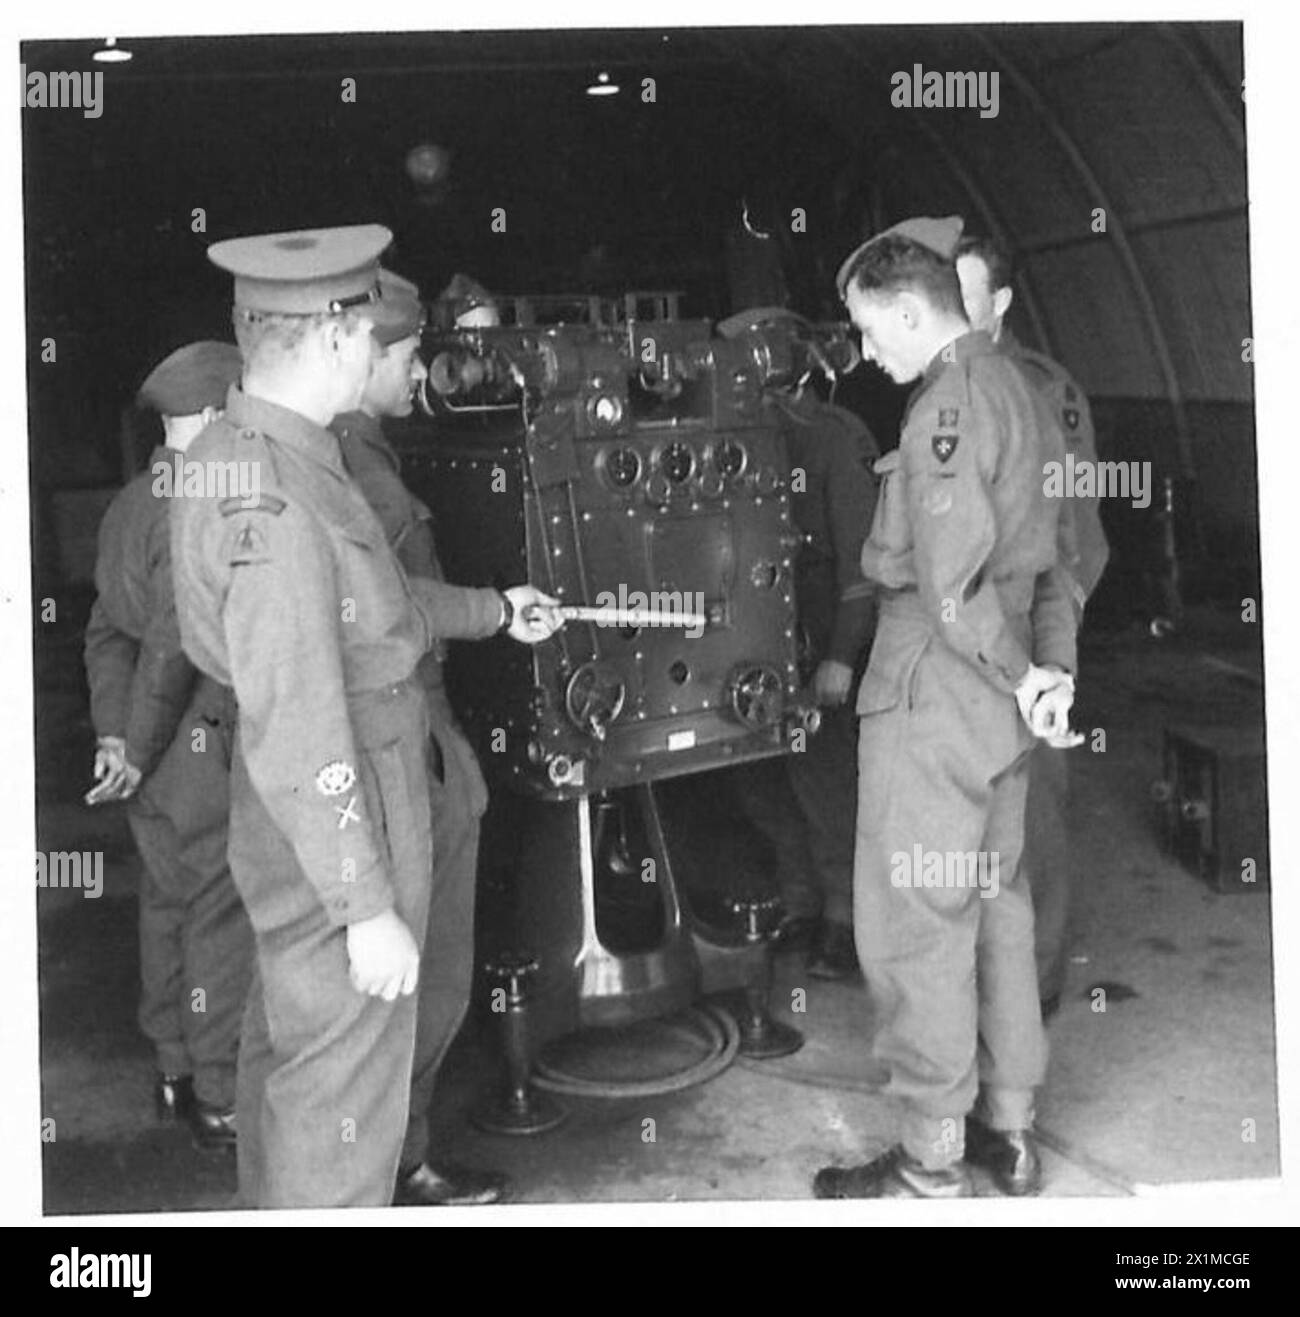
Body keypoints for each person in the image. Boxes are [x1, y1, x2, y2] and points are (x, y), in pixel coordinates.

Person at [169, 224, 561, 1208]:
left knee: (294, 1058)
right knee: (341, 1088)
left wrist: (494, 612)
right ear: (337, 337)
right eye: (372, 330)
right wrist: (365, 904)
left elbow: (367, 615)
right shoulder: (278, 497)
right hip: (344, 801)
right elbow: (300, 709)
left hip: (306, 798)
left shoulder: (254, 452)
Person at [813, 217, 1078, 1199]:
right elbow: (1052, 570)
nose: (866, 354)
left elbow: (952, 590)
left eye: (871, 332)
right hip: (1001, 720)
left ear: (913, 312)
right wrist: (1047, 679)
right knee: (1000, 912)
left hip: (935, 696)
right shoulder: (1027, 391)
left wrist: (1017, 676)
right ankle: (1008, 1134)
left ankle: (929, 1156)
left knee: (915, 922)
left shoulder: (943, 411)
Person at [330, 269, 503, 1205]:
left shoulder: (363, 458)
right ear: (365, 359)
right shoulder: (355, 472)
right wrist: (497, 610)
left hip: (412, 725)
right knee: (423, 971)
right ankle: (397, 1164)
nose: (418, 372)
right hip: (404, 737)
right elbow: (392, 609)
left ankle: (392, 1157)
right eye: (404, 356)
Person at [83, 341, 253, 1151]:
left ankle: (172, 1067)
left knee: (165, 901)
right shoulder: (204, 504)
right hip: (197, 745)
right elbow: (170, 645)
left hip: (148, 754)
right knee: (221, 912)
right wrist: (144, 745)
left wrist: (115, 738)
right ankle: (221, 1093)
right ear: (220, 414)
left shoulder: (127, 502)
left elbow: (104, 632)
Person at [955, 233, 1110, 1016]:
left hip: (1030, 649)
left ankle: (1032, 1003)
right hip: (964, 657)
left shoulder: (1040, 394)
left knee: (1033, 829)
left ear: (1003, 302)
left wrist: (1048, 667)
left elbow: (1074, 549)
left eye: (967, 292)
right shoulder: (945, 389)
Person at [716, 310, 879, 979]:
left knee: (825, 784)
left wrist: (842, 653)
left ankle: (846, 919)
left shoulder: (835, 440)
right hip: (751, 648)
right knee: (757, 779)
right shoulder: (728, 442)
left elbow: (864, 565)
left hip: (818, 647)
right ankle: (800, 903)